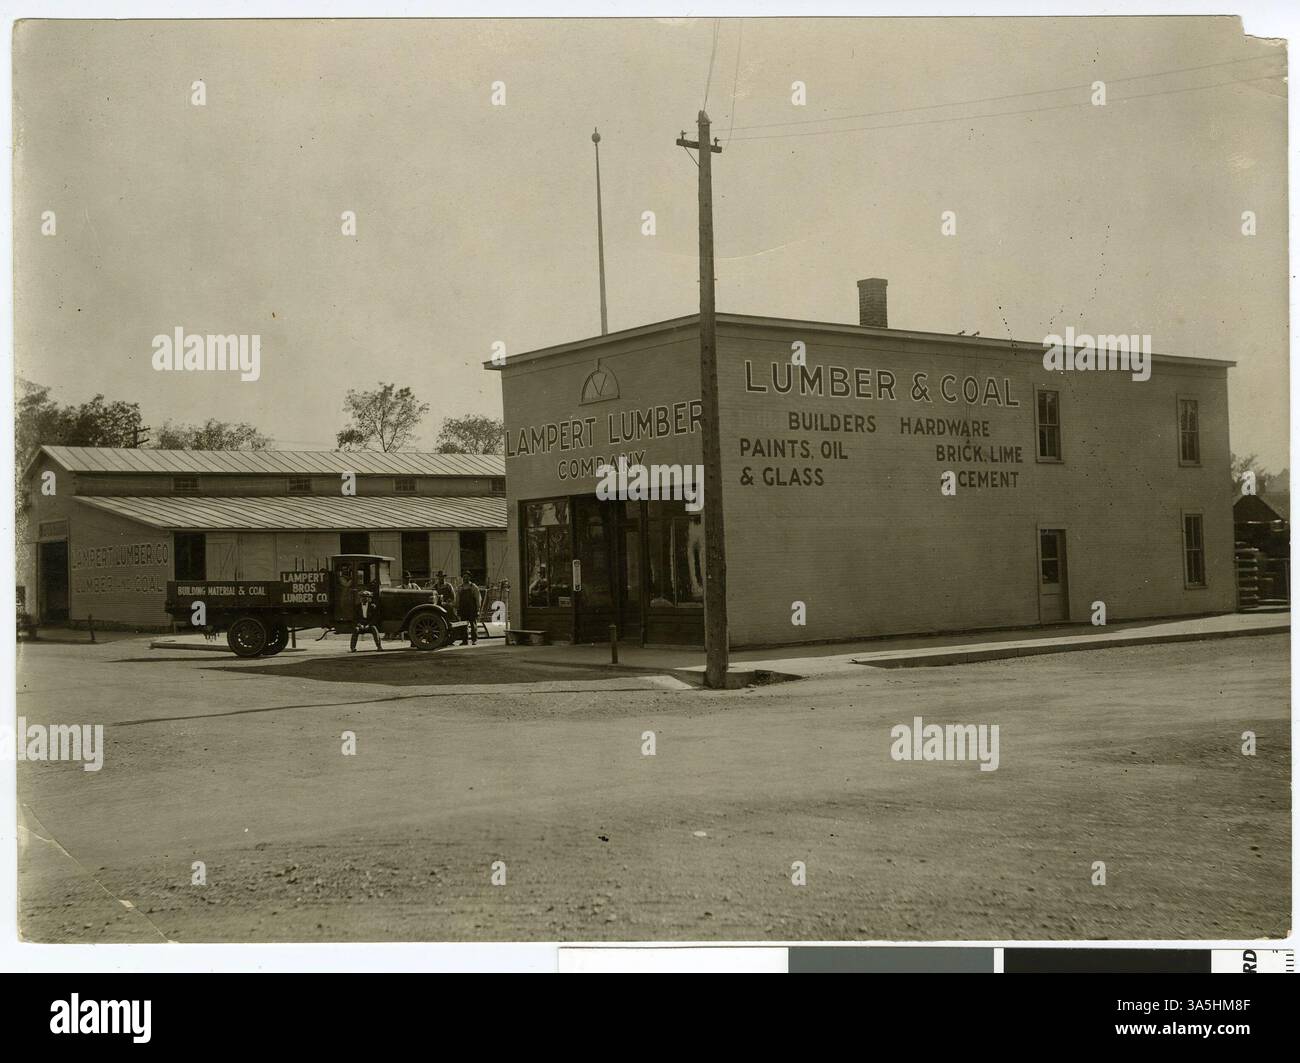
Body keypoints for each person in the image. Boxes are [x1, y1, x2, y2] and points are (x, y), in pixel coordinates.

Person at [456, 572, 482, 645]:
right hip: (463, 609)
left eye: (467, 577)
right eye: (464, 577)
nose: (465, 578)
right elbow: (457, 599)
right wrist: (457, 607)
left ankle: (474, 640)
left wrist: (478, 609)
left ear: (469, 578)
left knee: (473, 625)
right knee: (463, 625)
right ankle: (465, 641)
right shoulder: (460, 587)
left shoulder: (473, 587)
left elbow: (478, 599)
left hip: (472, 609)